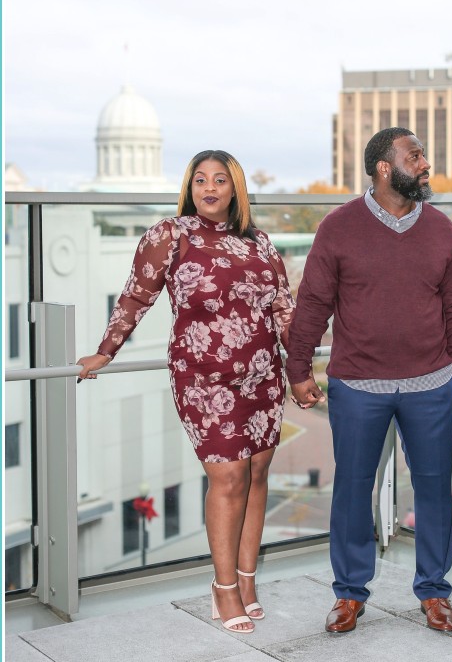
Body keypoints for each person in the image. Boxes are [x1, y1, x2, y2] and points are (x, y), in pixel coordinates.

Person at [77, 150, 294, 634]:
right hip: (203, 379)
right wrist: (105, 351)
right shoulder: (169, 234)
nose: (209, 188)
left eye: (220, 180)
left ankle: (247, 577)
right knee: (229, 477)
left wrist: (297, 369)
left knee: (258, 473)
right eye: (200, 180)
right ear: (189, 187)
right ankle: (223, 590)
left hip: (263, 376)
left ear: (236, 188)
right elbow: (136, 295)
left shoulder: (258, 241)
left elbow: (283, 308)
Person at [286, 127, 452, 634]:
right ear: (385, 168)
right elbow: (313, 304)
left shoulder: (441, 229)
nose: (426, 163)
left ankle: (434, 593)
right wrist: (298, 369)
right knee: (351, 491)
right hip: (358, 386)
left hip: (433, 385)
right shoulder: (338, 227)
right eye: (416, 156)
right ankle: (349, 595)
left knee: (434, 491)